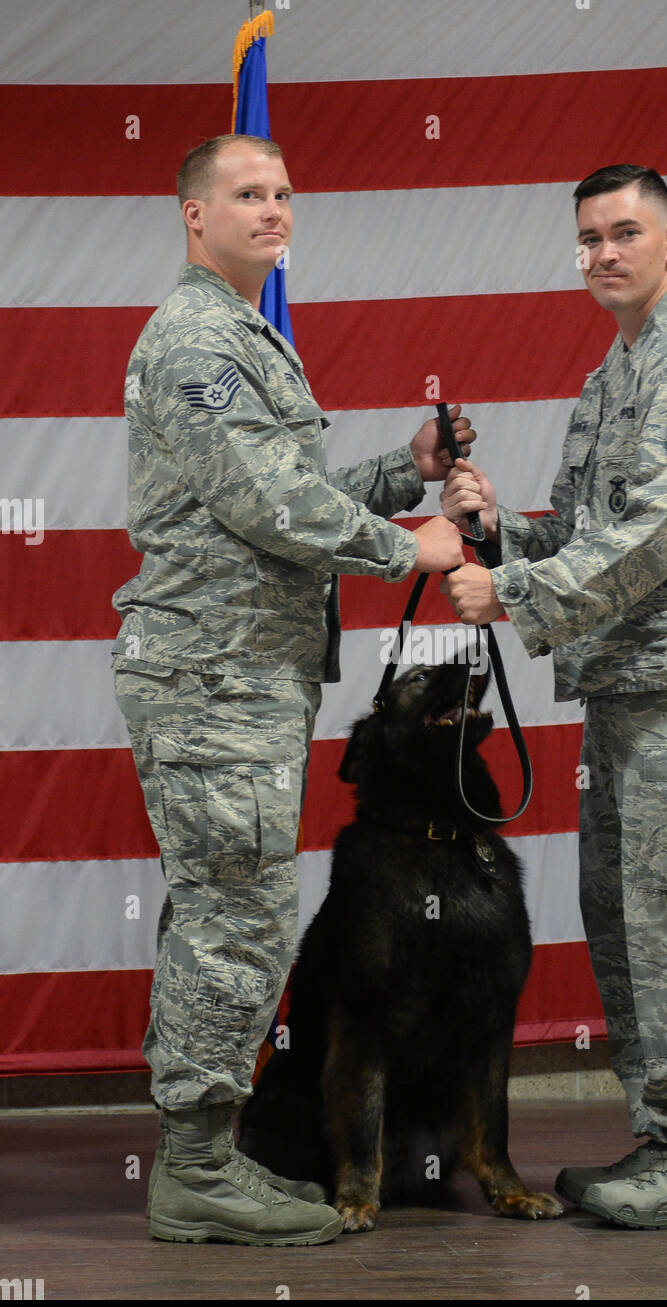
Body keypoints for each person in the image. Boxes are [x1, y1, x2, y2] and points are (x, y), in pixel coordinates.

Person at [111, 133, 469, 1246]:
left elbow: (290, 486)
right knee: (235, 922)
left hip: (242, 679)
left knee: (233, 915)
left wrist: (399, 470)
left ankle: (207, 1155)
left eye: (282, 195)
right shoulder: (196, 342)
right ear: (192, 214)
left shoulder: (243, 335)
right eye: (246, 194)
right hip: (214, 680)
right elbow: (269, 503)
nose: (273, 212)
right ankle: (197, 1170)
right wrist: (413, 545)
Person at [439, 164, 667, 1230]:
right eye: (588, 237)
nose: (604, 253)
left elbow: (664, 534)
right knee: (628, 922)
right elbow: (596, 534)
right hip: (628, 692)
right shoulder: (612, 375)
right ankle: (665, 1136)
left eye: (625, 232)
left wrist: (517, 592)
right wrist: (504, 533)